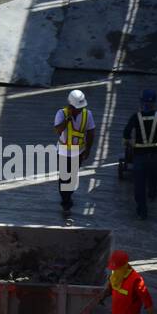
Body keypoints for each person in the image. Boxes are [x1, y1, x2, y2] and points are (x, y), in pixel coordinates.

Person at [122, 89, 157, 219]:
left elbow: (126, 133)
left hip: (139, 156)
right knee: (154, 177)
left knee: (139, 184)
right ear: (154, 103)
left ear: (141, 102)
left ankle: (142, 211)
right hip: (155, 155)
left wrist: (128, 141)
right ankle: (152, 192)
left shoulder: (135, 117)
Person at [54, 89, 95, 218]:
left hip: (78, 152)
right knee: (63, 178)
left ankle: (68, 196)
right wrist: (68, 119)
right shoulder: (61, 113)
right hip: (63, 152)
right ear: (70, 105)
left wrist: (88, 150)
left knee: (72, 177)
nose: (79, 110)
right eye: (77, 108)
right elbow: (58, 130)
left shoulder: (87, 114)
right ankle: (66, 203)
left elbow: (91, 133)